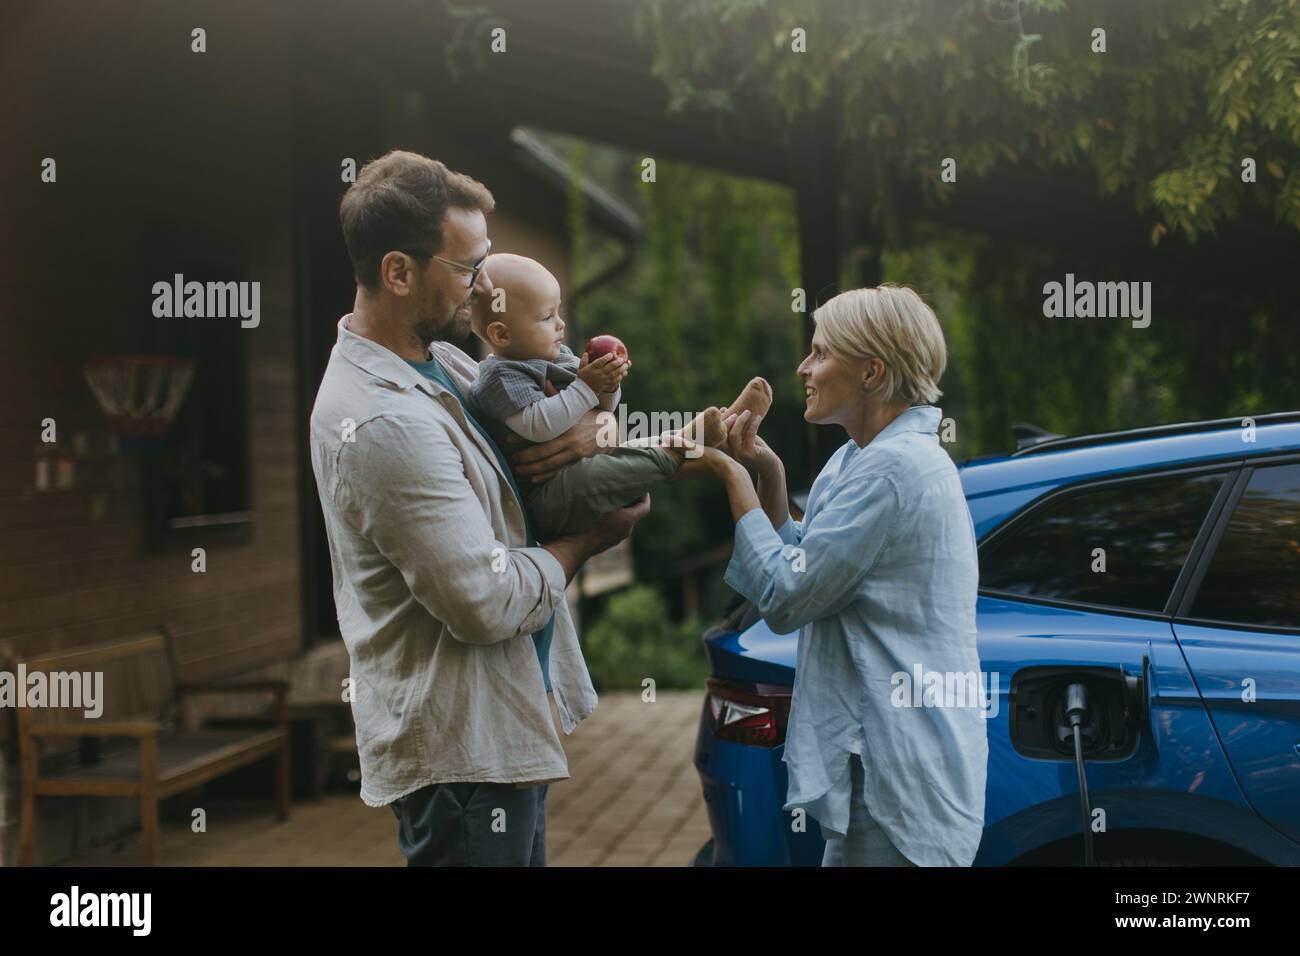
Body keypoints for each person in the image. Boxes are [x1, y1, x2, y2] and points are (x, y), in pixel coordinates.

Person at [309, 149, 645, 866]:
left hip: (502, 732)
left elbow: (567, 423)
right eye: (468, 270)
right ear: (398, 272)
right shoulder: (381, 421)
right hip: (462, 757)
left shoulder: (452, 364)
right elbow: (484, 600)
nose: (486, 289)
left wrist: (595, 428)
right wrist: (590, 542)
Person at [685, 285, 988, 866]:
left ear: (872, 371)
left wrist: (727, 473)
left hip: (897, 768)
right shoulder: (858, 459)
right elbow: (808, 567)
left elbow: (788, 597)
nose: (803, 367)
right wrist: (769, 476)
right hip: (877, 758)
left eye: (821, 353)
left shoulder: (893, 469)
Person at [467, 252, 773, 539]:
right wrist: (586, 387)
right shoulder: (500, 376)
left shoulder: (555, 356)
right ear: (501, 335)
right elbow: (538, 425)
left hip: (578, 467)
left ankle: (698, 438)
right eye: (547, 317)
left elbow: (603, 410)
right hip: (542, 501)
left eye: (559, 311)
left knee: (632, 446)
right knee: (594, 475)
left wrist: (608, 386)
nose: (561, 323)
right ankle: (682, 451)